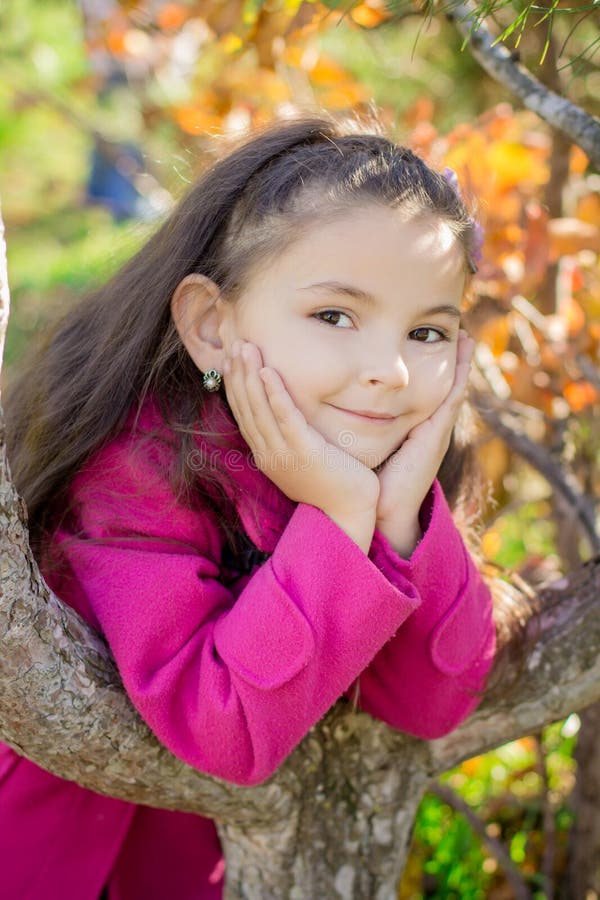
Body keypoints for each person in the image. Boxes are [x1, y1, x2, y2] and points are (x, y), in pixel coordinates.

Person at [2, 113, 519, 899]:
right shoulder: (138, 473)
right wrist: (338, 522)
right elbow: (228, 732)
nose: (389, 370)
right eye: (334, 316)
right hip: (53, 858)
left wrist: (399, 519)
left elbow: (434, 702)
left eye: (427, 332)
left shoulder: (386, 464)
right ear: (212, 326)